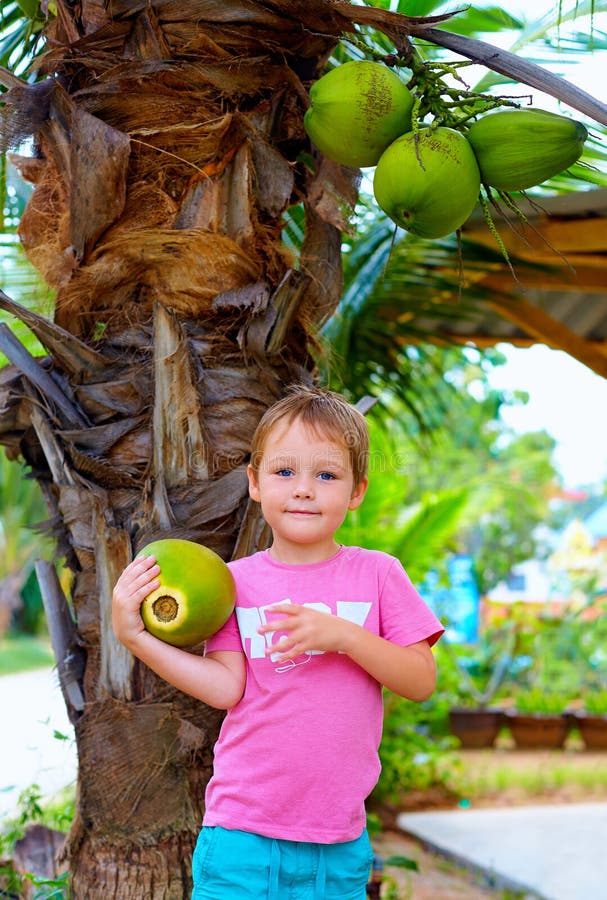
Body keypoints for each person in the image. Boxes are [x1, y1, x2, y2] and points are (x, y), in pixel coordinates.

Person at [112, 385, 444, 900]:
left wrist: (345, 637)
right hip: (242, 835)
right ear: (256, 483)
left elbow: (421, 679)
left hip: (338, 841)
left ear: (357, 490)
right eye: (285, 472)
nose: (304, 489)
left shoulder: (378, 575)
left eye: (326, 475)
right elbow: (226, 688)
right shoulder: (231, 583)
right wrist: (136, 637)